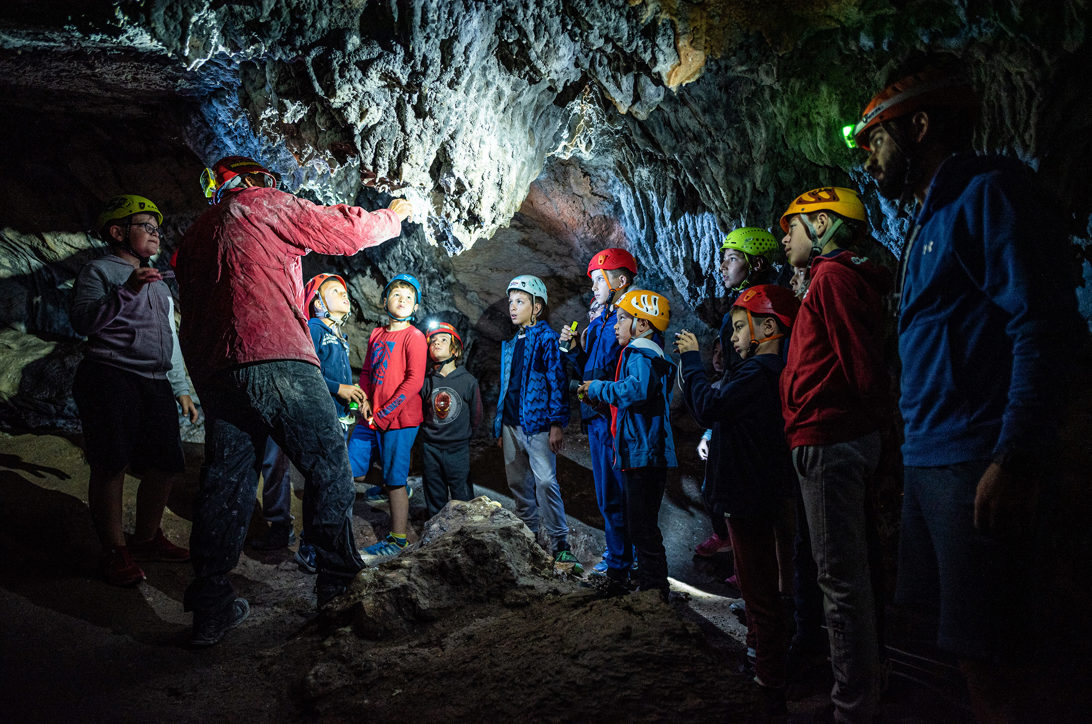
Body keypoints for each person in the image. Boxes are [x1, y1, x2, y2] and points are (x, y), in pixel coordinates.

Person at [853, 60, 1080, 722]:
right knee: (954, 640)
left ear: (920, 126)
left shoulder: (988, 195)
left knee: (992, 650)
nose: (870, 158)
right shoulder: (931, 216)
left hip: (974, 454)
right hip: (933, 456)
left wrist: (1015, 457)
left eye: (878, 139)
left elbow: (1042, 326)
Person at [175, 155, 411, 647]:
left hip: (221, 372)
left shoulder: (194, 236)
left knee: (226, 484)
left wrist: (206, 381)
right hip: (277, 354)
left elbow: (189, 315)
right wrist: (394, 214)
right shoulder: (260, 206)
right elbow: (340, 230)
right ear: (253, 180)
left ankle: (211, 608)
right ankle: (337, 588)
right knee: (328, 465)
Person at [779, 185, 892, 721]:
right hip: (828, 437)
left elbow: (860, 365)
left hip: (831, 438)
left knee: (840, 582)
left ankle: (853, 707)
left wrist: (867, 429)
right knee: (845, 574)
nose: (785, 238)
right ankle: (863, 688)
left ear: (821, 224)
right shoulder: (830, 280)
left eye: (793, 226)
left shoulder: (833, 279)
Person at [677, 284, 800, 712]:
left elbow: (710, 406)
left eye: (739, 327)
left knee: (758, 585)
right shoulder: (769, 372)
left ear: (767, 327)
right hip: (756, 489)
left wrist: (691, 362)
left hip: (747, 494)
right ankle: (760, 657)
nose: (731, 337)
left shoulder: (758, 373)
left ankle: (768, 680)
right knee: (758, 581)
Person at [70, 194, 197, 587]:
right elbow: (84, 321)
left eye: (158, 229)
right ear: (117, 232)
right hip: (111, 375)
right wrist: (125, 289)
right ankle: (114, 550)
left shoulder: (156, 284)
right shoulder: (99, 272)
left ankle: (145, 539)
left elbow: (169, 340)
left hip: (154, 382)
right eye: (147, 227)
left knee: (166, 464)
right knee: (111, 463)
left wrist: (181, 387)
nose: (156, 234)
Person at [579, 289, 676, 597]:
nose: (616, 325)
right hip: (640, 451)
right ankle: (650, 588)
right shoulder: (645, 354)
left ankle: (654, 591)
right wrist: (598, 401)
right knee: (641, 524)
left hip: (643, 454)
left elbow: (635, 390)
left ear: (643, 325)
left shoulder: (642, 353)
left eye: (622, 319)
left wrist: (599, 387)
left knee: (643, 527)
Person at [560, 248, 638, 578]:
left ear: (620, 281)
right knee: (607, 492)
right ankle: (619, 553)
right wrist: (575, 349)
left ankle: (624, 562)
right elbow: (589, 368)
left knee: (619, 491)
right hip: (596, 414)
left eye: (598, 279)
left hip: (614, 415)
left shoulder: (630, 317)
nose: (593, 286)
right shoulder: (601, 319)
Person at [495, 275, 580, 573]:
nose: (513, 307)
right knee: (518, 483)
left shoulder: (546, 339)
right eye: (511, 302)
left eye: (520, 301)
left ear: (537, 307)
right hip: (510, 422)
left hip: (538, 424)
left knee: (545, 481)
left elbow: (557, 381)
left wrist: (557, 423)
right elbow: (506, 387)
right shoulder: (509, 344)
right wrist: (500, 427)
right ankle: (529, 538)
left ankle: (561, 544)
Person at [347, 273, 427, 562]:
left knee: (394, 477)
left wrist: (384, 415)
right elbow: (368, 371)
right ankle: (392, 490)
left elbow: (414, 381)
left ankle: (398, 538)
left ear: (416, 307)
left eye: (409, 297)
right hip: (373, 414)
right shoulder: (377, 335)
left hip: (400, 419)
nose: (403, 300)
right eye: (396, 294)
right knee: (352, 467)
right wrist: (364, 402)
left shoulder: (414, 337)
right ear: (384, 300)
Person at [419, 321, 483, 517]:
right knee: (434, 492)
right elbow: (421, 411)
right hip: (431, 448)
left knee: (462, 494)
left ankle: (467, 532)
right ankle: (436, 533)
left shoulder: (468, 381)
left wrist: (463, 436)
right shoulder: (426, 381)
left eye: (443, 340)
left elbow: (477, 415)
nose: (436, 343)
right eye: (433, 341)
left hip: (457, 448)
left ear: (455, 350)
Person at [716, 227, 781, 365]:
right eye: (724, 259)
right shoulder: (744, 302)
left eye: (732, 259)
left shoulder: (769, 307)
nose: (722, 266)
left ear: (757, 264)